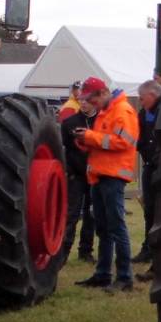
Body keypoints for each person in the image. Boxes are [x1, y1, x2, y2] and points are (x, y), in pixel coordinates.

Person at [72, 76, 139, 292]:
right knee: (103, 228)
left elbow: (124, 142)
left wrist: (90, 136)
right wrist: (86, 140)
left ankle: (124, 277)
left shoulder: (123, 111)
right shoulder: (106, 111)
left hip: (113, 176)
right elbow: (104, 140)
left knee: (116, 227)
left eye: (91, 100)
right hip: (100, 175)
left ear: (102, 93)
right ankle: (103, 274)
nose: (89, 105)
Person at [59, 82, 97, 263]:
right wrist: (70, 171)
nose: (83, 103)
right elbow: (64, 148)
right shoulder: (69, 123)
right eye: (81, 100)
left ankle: (86, 250)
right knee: (71, 214)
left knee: (91, 214)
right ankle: (63, 250)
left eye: (87, 100)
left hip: (96, 175)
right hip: (76, 175)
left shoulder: (102, 122)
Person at [134, 79, 161, 267]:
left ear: (152, 95)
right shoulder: (144, 113)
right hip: (149, 166)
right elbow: (140, 137)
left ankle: (160, 252)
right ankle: (148, 249)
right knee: (149, 210)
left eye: (142, 98)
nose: (140, 101)